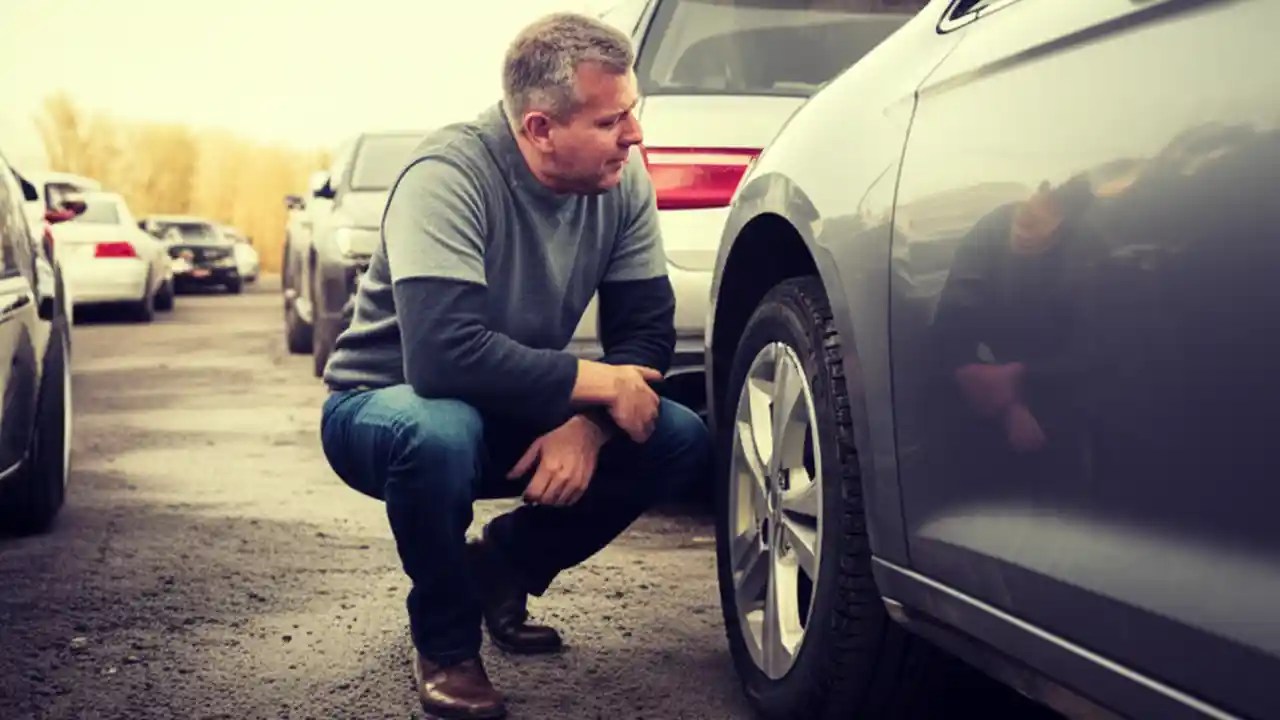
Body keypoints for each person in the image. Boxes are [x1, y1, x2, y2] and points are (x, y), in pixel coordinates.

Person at [318, 12, 710, 719]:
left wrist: (587, 427)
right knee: (440, 430)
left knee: (677, 435)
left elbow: (646, 333)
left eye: (633, 112)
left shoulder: (623, 182)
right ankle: (446, 645)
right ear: (539, 128)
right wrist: (598, 384)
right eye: (611, 120)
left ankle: (500, 566)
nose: (635, 135)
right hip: (383, 405)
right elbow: (442, 355)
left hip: (500, 406)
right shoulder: (446, 176)